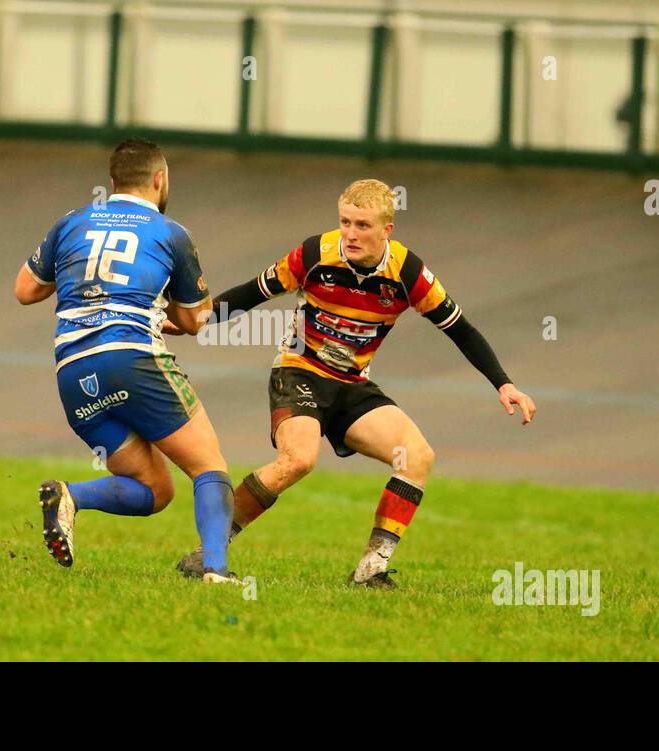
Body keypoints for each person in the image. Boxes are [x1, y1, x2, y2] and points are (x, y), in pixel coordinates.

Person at [174, 179, 536, 588]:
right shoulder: (315, 253)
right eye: (345, 221)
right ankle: (210, 553)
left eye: (362, 225)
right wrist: (196, 322)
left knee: (416, 456)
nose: (350, 234)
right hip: (299, 371)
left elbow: (461, 330)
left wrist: (503, 384)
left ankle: (370, 571)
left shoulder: (409, 273)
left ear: (387, 230)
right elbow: (252, 293)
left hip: (352, 385)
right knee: (299, 460)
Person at [15, 138, 238, 584]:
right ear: (160, 179)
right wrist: (167, 308)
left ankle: (70, 496)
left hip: (74, 371)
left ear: (112, 182)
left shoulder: (71, 222)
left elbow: (26, 290)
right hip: (133, 358)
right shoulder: (170, 232)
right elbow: (196, 319)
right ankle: (215, 569)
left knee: (157, 490)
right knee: (208, 465)